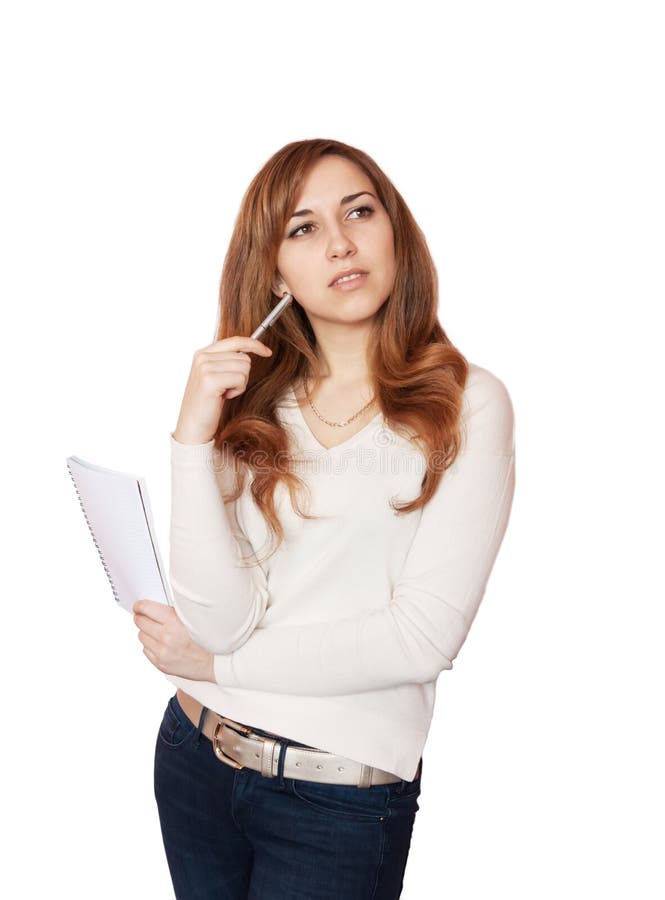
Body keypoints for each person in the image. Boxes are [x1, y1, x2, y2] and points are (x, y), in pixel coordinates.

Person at [132, 138, 516, 899]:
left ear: (394, 230)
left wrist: (220, 668)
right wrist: (192, 438)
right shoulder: (255, 404)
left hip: (337, 798)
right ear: (274, 270)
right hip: (194, 756)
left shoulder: (467, 404)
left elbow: (420, 639)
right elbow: (220, 619)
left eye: (359, 212)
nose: (339, 242)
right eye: (302, 228)